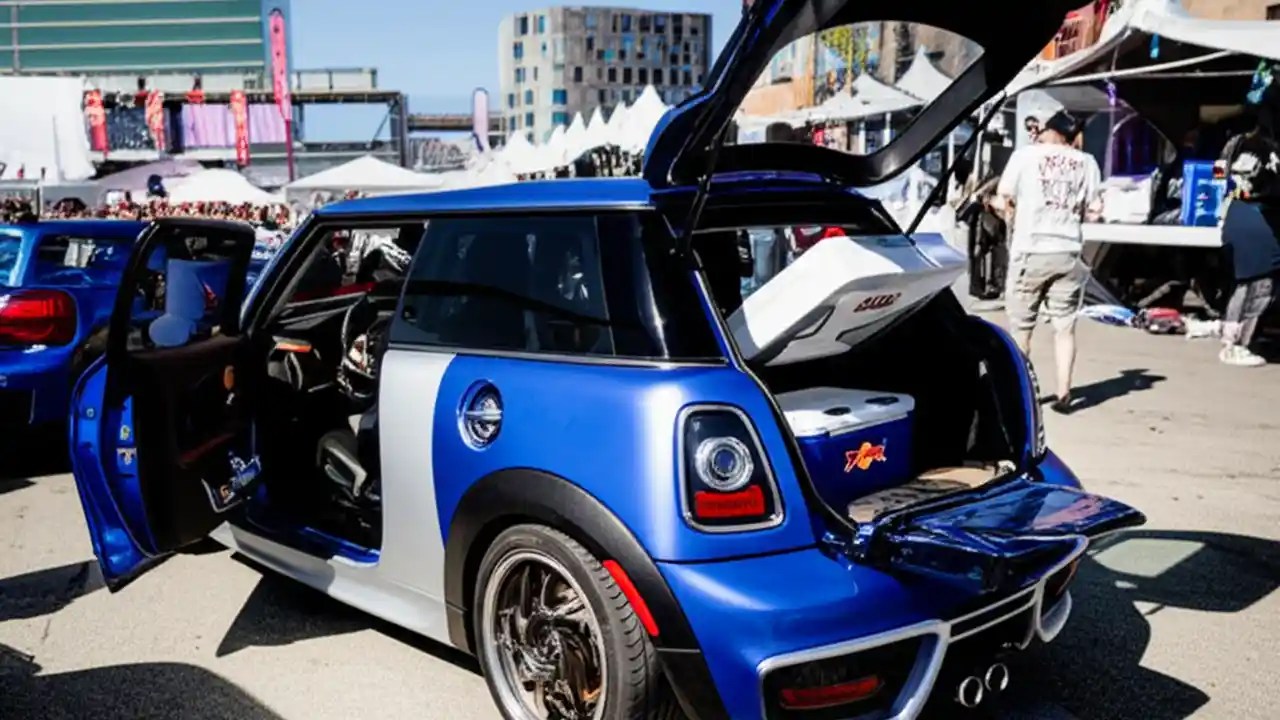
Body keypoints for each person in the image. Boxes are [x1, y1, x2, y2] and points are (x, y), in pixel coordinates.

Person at [994, 110, 1103, 414]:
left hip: (1031, 250)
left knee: (1021, 330)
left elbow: (1004, 198)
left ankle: (1019, 397)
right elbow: (1095, 209)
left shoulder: (1024, 156)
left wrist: (1009, 211)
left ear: (1050, 131)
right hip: (1068, 251)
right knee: (1065, 327)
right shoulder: (1087, 162)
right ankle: (1064, 392)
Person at [1217, 110, 1280, 367]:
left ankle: (1231, 340)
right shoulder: (1272, 147)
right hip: (1261, 219)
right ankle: (1240, 344)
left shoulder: (1234, 143)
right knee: (1261, 285)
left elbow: (1217, 174)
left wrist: (1235, 190)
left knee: (1245, 283)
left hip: (1236, 213)